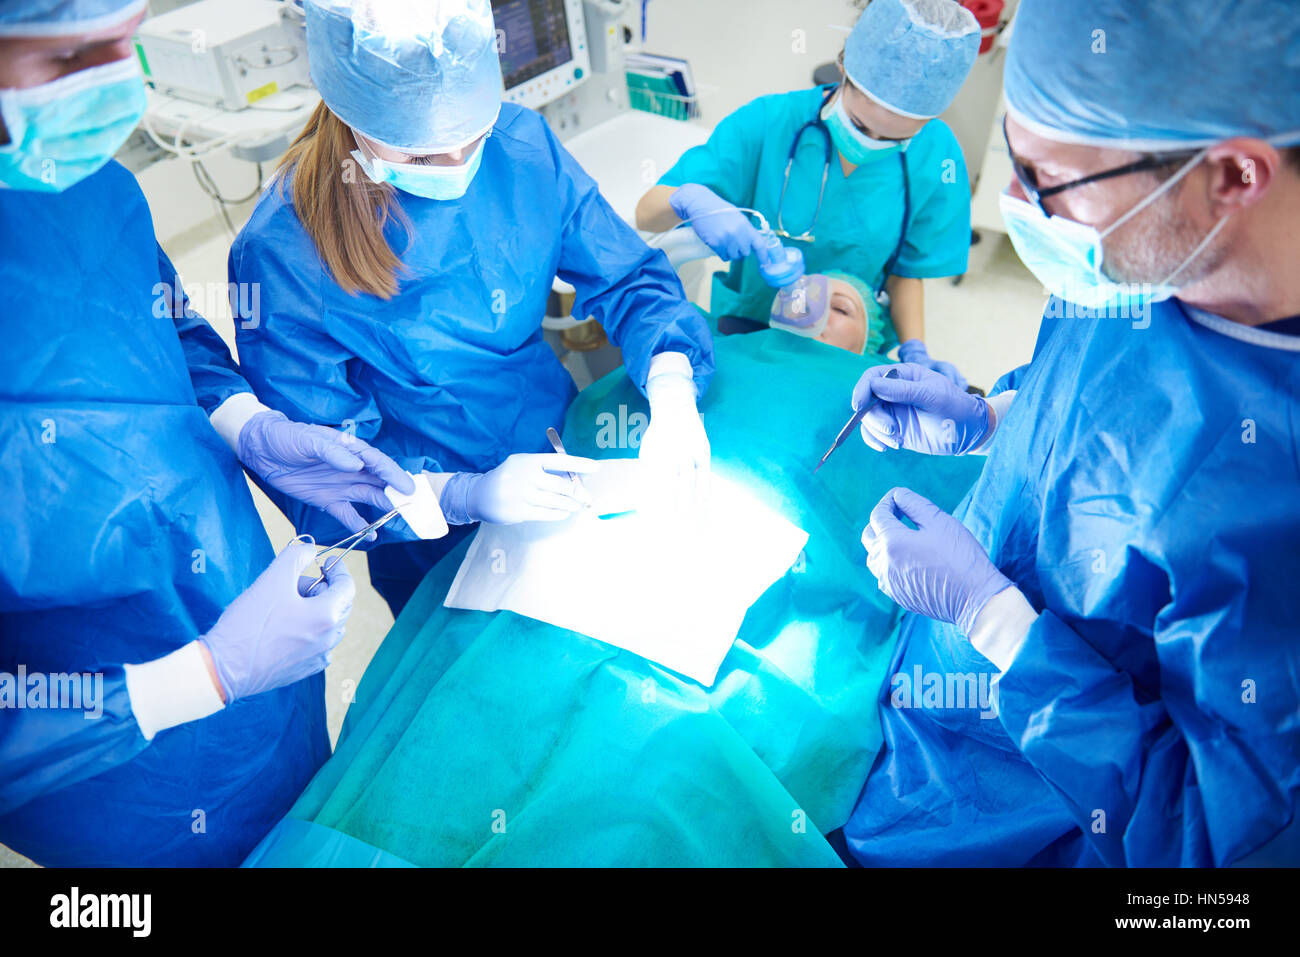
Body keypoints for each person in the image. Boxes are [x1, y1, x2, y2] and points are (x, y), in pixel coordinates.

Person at [843, 0, 1300, 866]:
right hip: (927, 721)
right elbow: (1109, 413)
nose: (1018, 203)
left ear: (1234, 176)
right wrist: (990, 419)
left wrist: (1000, 624)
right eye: (1013, 159)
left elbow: (1209, 855)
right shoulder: (1147, 245)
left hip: (1041, 817)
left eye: (1048, 179)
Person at [0, 0, 419, 866]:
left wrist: (250, 425)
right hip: (111, 771)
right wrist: (195, 680)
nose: (115, 81)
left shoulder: (81, 184)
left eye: (126, 42)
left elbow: (170, 326)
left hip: (235, 610)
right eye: (70, 54)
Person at [231, 0, 716, 616]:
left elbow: (624, 275)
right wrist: (463, 496)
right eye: (425, 157)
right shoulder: (282, 251)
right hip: (421, 525)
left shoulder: (520, 145)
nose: (459, 167)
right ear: (353, 113)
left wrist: (672, 387)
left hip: (552, 440)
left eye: (475, 138)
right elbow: (323, 462)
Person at [636, 0, 978, 388]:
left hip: (844, 357)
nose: (872, 143)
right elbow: (647, 213)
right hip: (748, 330)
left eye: (896, 138)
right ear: (845, 63)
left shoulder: (935, 153)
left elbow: (906, 271)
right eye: (863, 125)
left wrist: (916, 349)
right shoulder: (767, 123)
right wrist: (689, 201)